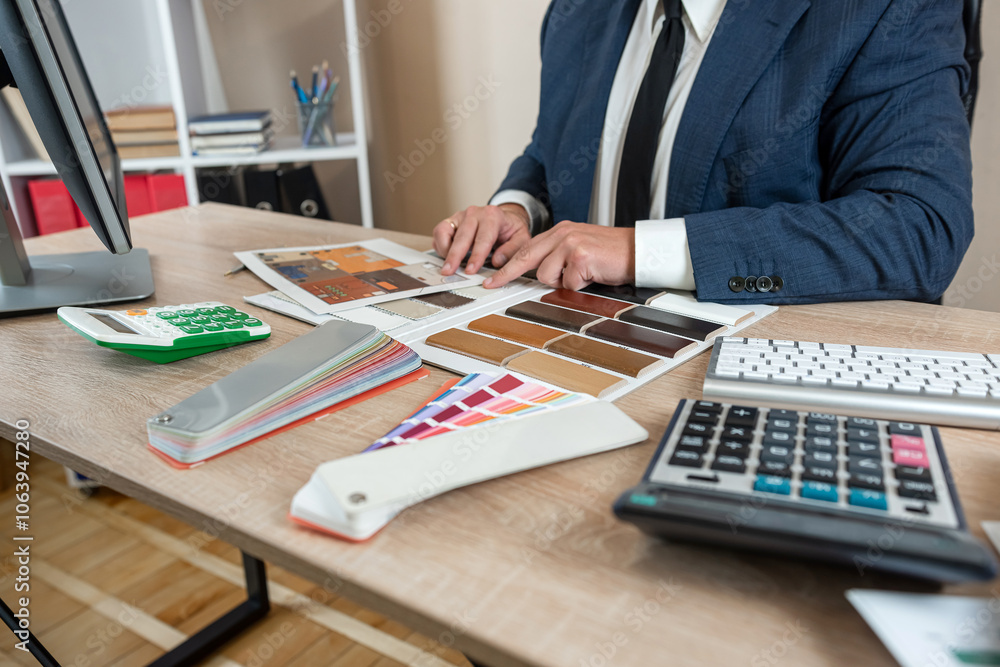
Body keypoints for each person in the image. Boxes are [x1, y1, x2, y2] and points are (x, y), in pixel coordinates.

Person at [432, 0, 973, 304]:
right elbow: (554, 149)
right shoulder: (576, 12)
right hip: (569, 339)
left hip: (751, 378)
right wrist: (516, 207)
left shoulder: (881, 9)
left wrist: (640, 251)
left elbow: (919, 229)